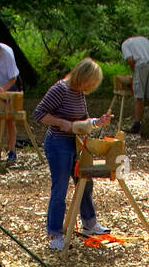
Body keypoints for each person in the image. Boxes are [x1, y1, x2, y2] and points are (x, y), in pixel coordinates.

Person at [33, 58, 112, 251]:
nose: (89, 87)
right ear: (82, 76)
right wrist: (61, 122)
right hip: (58, 143)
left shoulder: (79, 93)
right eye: (89, 82)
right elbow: (39, 114)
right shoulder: (60, 89)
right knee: (60, 188)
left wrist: (97, 122)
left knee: (84, 182)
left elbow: (82, 120)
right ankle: (55, 234)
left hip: (75, 143)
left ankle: (89, 222)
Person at [121, 34, 149, 134]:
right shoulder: (144, 39)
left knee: (139, 96)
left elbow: (130, 60)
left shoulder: (125, 44)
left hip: (140, 65)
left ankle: (137, 124)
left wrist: (133, 70)